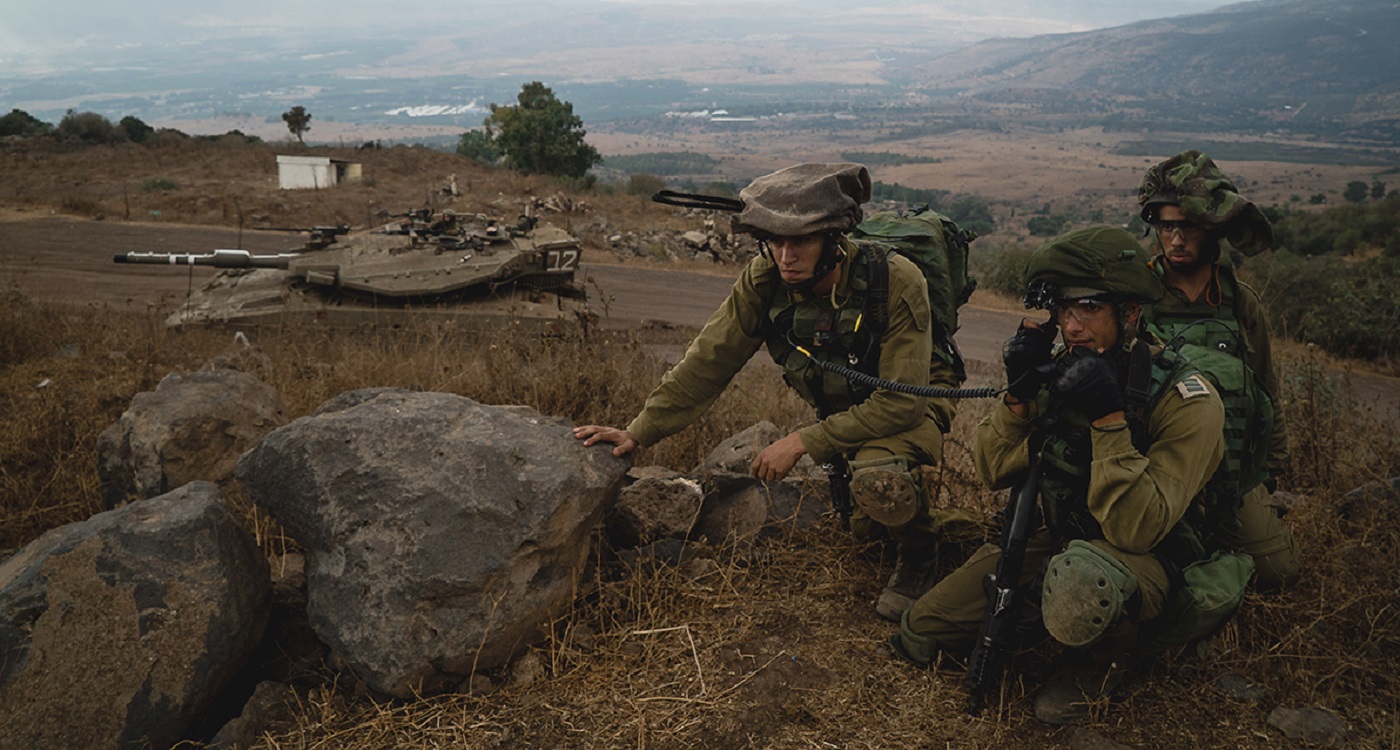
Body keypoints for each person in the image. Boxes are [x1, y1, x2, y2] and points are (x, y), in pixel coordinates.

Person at [574, 162, 971, 620]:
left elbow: (901, 403)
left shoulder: (896, 280)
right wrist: (639, 431)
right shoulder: (765, 280)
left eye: (801, 241)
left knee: (880, 479)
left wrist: (802, 441)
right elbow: (709, 360)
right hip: (852, 400)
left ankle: (920, 555)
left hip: (916, 395)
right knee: (867, 528)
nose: (786, 255)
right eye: (776, 241)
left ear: (833, 241)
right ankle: (914, 521)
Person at [892, 226, 1249, 724]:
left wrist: (1108, 418)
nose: (1072, 326)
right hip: (1064, 537)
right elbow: (992, 468)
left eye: (1090, 308)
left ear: (1130, 313)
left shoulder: (1186, 400)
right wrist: (1019, 394)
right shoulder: (1067, 368)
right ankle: (1057, 606)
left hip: (1147, 560)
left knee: (1084, 580)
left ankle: (1102, 660)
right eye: (1063, 310)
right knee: (921, 632)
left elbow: (1136, 529)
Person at [1137, 150, 1300, 591]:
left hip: (1231, 471)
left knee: (1278, 572)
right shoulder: (1137, 296)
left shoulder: (1240, 302)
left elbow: (1265, 389)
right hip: (1161, 466)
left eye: (1188, 227)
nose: (1175, 240)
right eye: (1166, 227)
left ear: (1212, 230)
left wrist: (1268, 472)